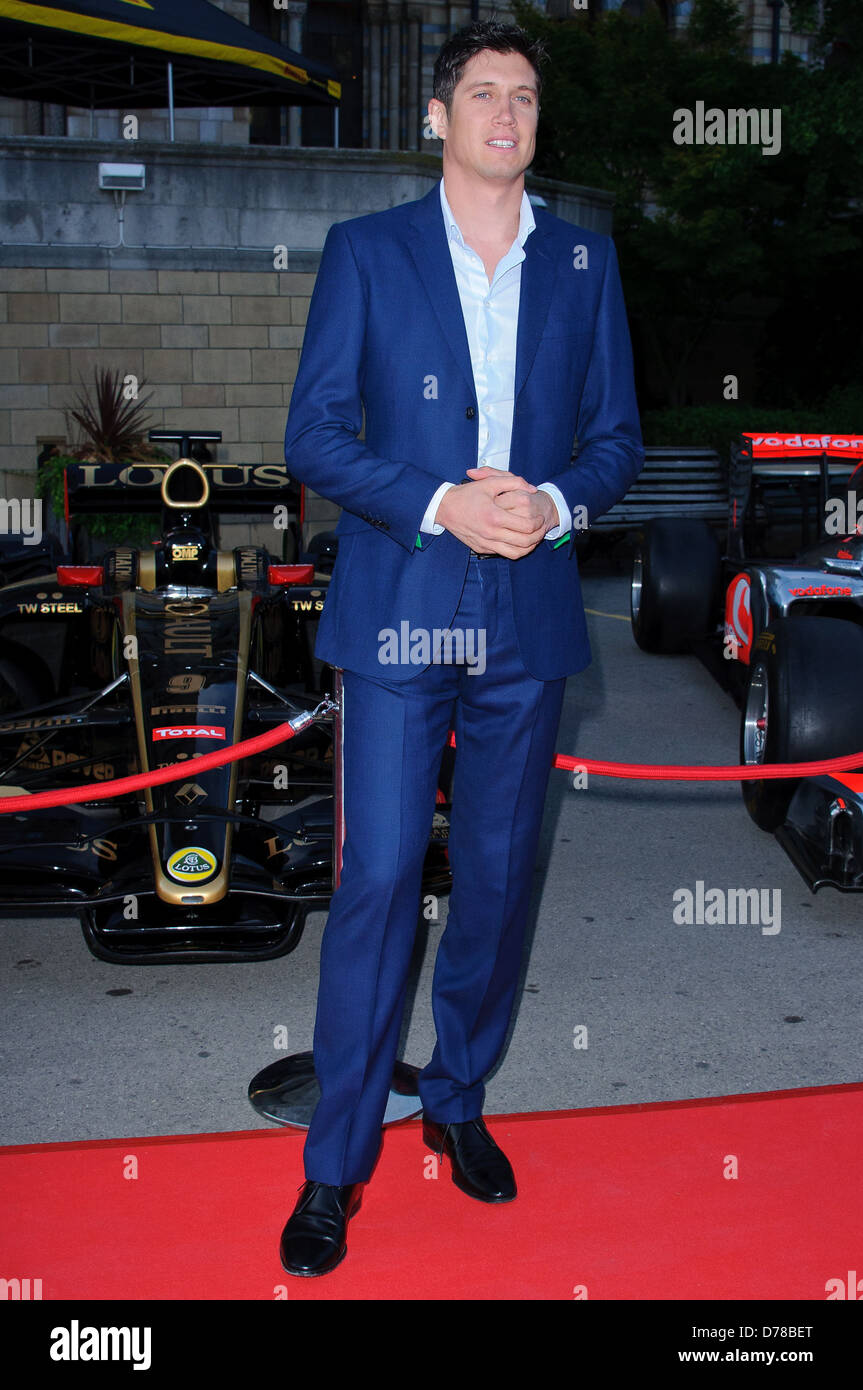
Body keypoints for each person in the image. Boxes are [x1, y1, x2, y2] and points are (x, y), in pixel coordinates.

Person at [280, 18, 643, 1277]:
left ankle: (458, 1105)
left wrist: (552, 506)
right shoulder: (365, 253)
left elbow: (615, 444)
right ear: (436, 116)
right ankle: (334, 1166)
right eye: (482, 93)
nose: (506, 113)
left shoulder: (587, 266)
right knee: (379, 877)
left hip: (526, 621)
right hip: (398, 606)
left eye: (525, 97)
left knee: (492, 885)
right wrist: (443, 502)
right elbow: (315, 438)